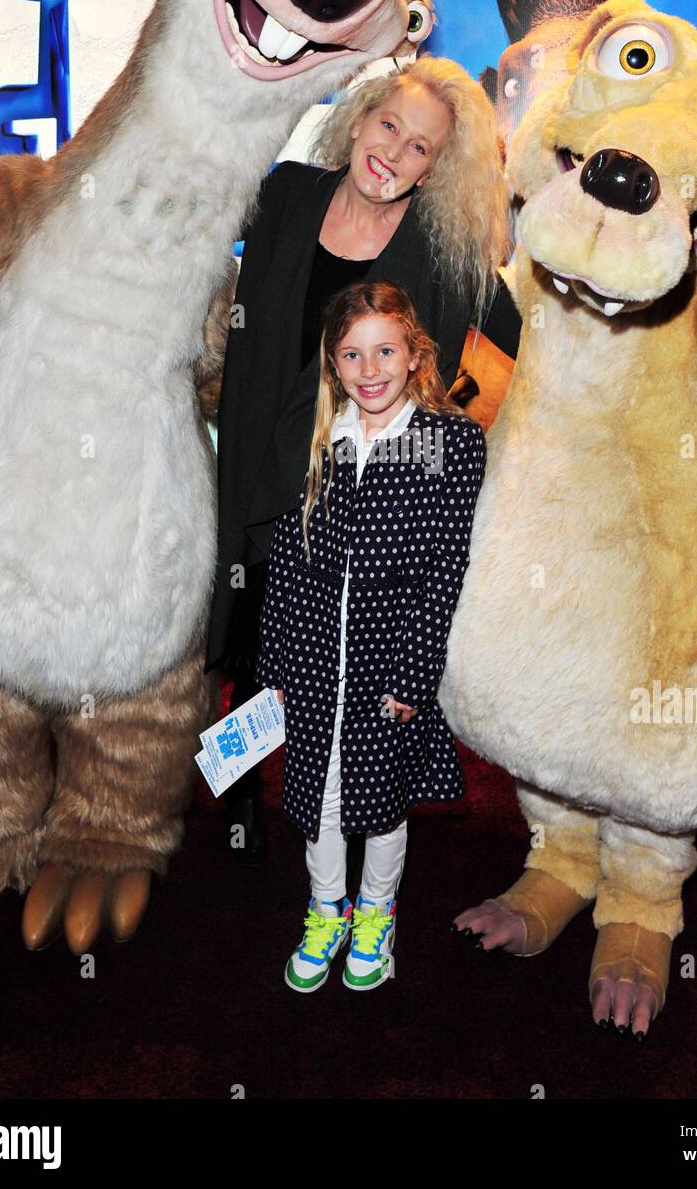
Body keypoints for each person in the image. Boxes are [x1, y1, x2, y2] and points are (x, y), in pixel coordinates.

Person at [205, 55, 520, 862]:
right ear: (359, 118)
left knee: (325, 670)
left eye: (422, 148)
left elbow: (520, 332)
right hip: (257, 472)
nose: (396, 154)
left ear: (437, 168)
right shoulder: (284, 195)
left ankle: (343, 816)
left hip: (358, 503)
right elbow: (183, 232)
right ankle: (234, 793)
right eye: (390, 126)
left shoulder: (442, 251)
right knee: (244, 654)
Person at [255, 281, 487, 991]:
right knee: (317, 798)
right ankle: (327, 908)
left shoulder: (450, 442)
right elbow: (291, 558)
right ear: (333, 365)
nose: (370, 368)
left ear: (415, 354)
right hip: (318, 653)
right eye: (351, 354)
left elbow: (446, 570)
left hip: (392, 659)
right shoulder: (326, 440)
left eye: (385, 349)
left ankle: (377, 915)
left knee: (381, 802)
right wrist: (275, 667)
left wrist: (412, 679)